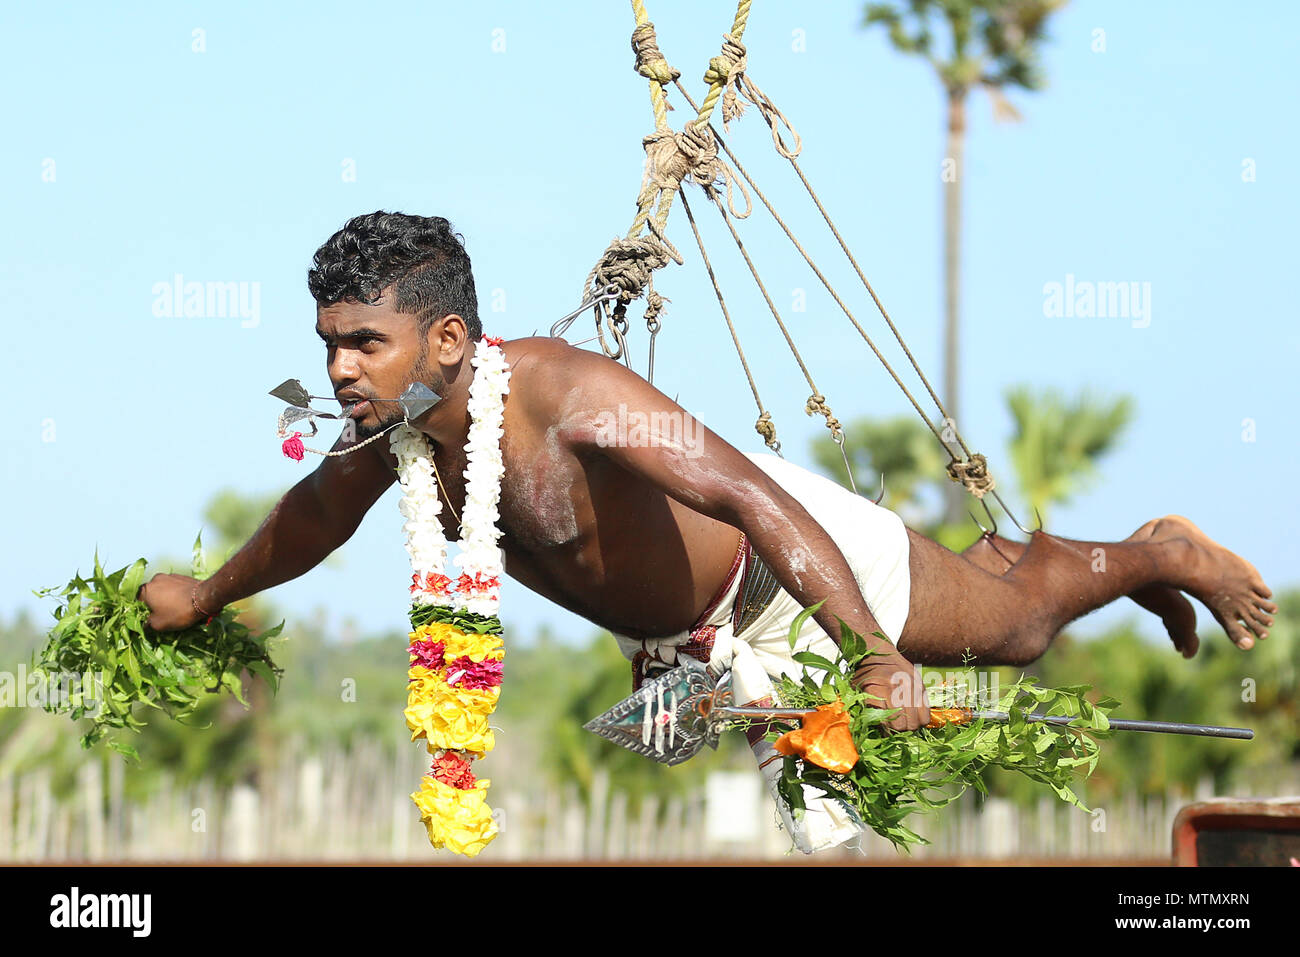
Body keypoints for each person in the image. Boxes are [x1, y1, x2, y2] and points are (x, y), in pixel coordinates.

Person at [139, 211, 1277, 851]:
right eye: (329, 343)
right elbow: (307, 527)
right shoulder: (385, 441)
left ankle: (1152, 553)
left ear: (445, 340)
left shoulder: (569, 392)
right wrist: (207, 595)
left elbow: (750, 499)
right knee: (822, 809)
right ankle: (1031, 570)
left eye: (362, 346)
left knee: (1019, 632)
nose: (337, 370)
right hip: (691, 650)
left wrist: (876, 655)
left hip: (788, 568)